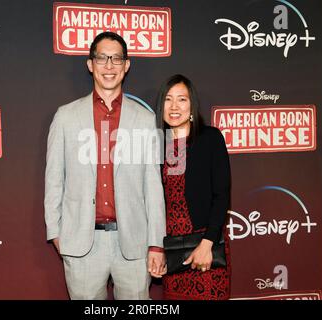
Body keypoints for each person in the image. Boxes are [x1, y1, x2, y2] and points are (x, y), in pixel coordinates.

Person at [44, 32, 166, 300]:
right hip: (81, 243)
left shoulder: (146, 119)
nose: (109, 66)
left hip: (134, 242)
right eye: (102, 58)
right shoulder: (65, 117)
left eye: (116, 58)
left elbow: (153, 185)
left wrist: (156, 243)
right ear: (90, 64)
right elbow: (54, 179)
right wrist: (56, 232)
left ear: (127, 65)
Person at [155, 74, 231, 300]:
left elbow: (222, 195)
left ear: (192, 106)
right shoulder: (158, 144)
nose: (174, 106)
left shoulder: (210, 138)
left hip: (205, 249)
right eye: (168, 100)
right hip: (173, 254)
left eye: (182, 99)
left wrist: (207, 243)